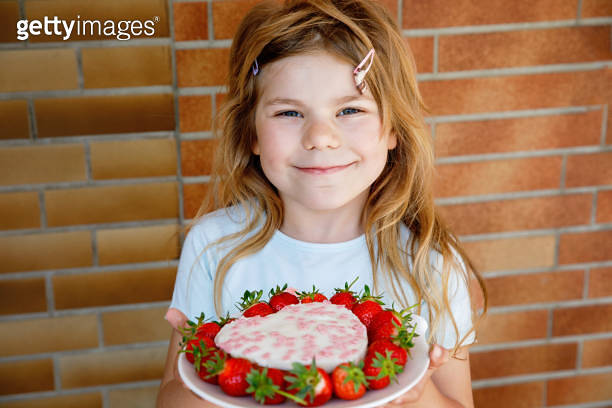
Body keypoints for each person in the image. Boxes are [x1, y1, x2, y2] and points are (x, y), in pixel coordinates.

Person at [157, 0, 487, 406]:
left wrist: (417, 397)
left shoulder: (431, 261)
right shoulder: (214, 247)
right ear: (252, 134)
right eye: (289, 112)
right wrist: (213, 365)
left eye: (350, 109)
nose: (320, 136)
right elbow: (171, 399)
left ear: (392, 130)